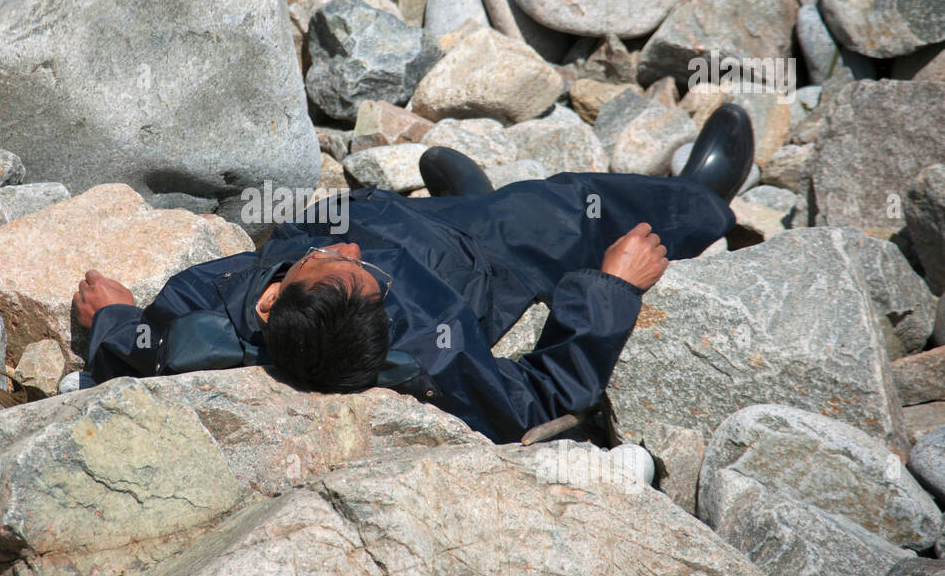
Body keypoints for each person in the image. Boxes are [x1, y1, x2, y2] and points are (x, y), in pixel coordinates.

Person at [72, 104, 755, 444]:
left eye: (345, 270)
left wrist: (112, 314)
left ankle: (464, 195)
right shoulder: (428, 350)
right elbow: (539, 398)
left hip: (384, 217)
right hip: (479, 260)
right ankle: (703, 201)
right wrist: (613, 287)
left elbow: (142, 351)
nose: (350, 255)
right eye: (348, 270)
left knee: (399, 215)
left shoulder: (207, 305)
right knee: (565, 203)